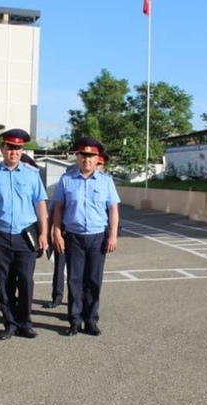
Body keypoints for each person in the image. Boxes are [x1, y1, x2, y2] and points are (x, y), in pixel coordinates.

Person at [0, 128, 48, 340]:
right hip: (0, 234)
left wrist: (44, 233)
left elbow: (40, 205)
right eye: (10, 148)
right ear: (3, 149)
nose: (14, 152)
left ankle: (25, 322)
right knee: (4, 281)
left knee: (26, 280)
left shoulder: (32, 174)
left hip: (25, 236)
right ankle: (9, 323)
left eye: (18, 148)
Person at [52, 137, 120, 336]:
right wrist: (57, 232)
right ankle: (74, 320)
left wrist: (113, 236)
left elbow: (113, 210)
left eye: (91, 156)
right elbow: (58, 208)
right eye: (83, 155)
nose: (87, 160)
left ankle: (91, 320)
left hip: (98, 236)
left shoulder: (106, 181)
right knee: (74, 279)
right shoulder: (66, 180)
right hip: (73, 236)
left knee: (93, 280)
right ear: (77, 157)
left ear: (97, 158)